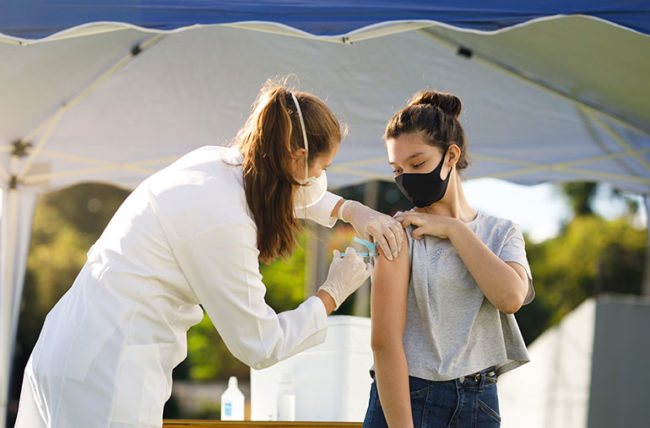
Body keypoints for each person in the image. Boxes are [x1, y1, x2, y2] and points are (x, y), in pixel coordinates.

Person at [15, 80, 404, 428]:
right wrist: (333, 291)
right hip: (107, 372)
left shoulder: (215, 164)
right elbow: (260, 344)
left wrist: (351, 210)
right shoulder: (224, 221)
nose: (322, 179)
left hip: (65, 351)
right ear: (297, 158)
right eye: (322, 167)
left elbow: (282, 193)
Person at [363, 91, 534, 428]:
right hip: (408, 400)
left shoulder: (502, 233)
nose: (406, 178)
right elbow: (384, 345)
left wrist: (454, 229)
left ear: (451, 156)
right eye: (397, 169)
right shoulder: (398, 233)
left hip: (479, 402)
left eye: (417, 164)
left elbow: (510, 297)